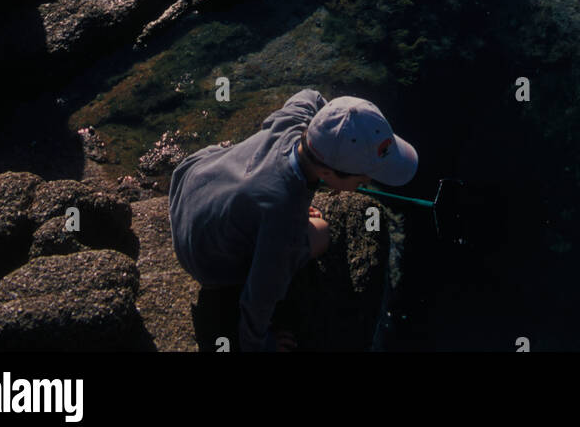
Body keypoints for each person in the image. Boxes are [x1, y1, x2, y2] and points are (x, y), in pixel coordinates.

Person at [168, 89, 418, 353]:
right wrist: (260, 344)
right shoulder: (283, 218)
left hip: (190, 182)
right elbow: (260, 295)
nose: (363, 185)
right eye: (360, 181)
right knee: (320, 233)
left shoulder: (295, 123)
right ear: (326, 172)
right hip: (204, 259)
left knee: (237, 157)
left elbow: (310, 95)